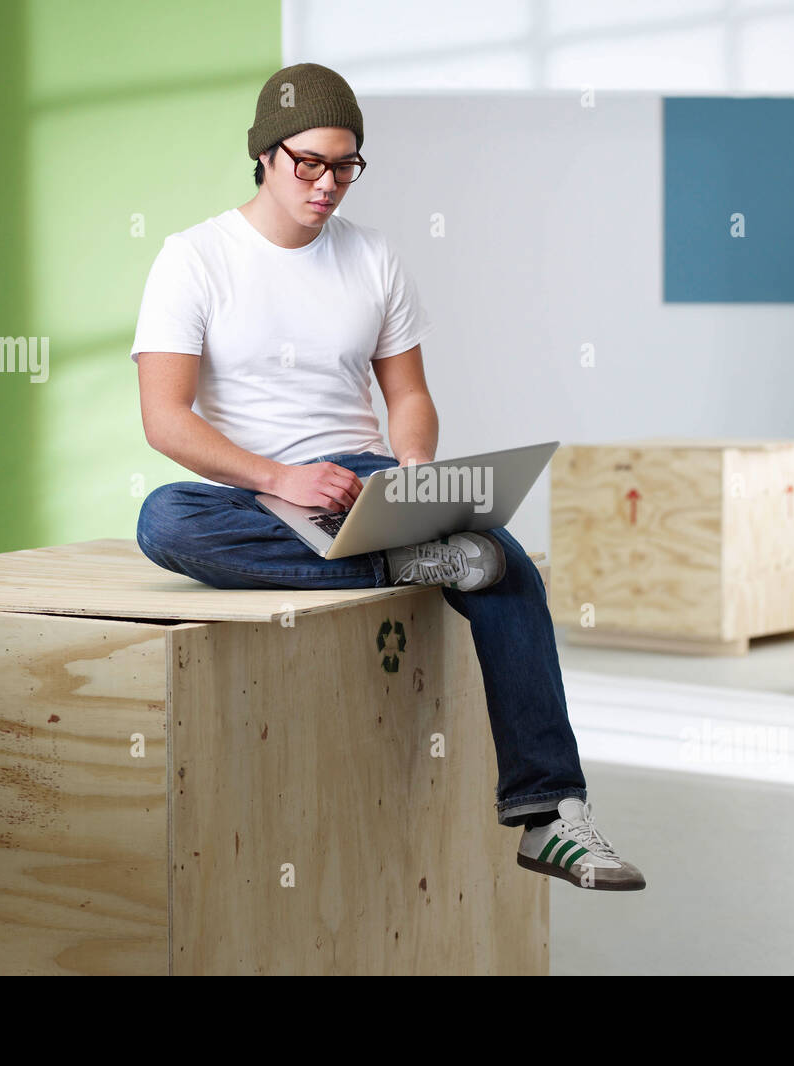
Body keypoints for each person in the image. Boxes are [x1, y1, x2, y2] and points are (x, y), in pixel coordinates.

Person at [129, 62, 643, 891]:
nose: (328, 185)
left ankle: (553, 816)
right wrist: (281, 478)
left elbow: (409, 396)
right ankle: (397, 564)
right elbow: (167, 420)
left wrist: (413, 471)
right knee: (164, 521)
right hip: (250, 497)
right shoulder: (193, 259)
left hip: (366, 476)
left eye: (345, 166)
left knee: (500, 562)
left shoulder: (373, 258)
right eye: (310, 164)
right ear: (264, 153)